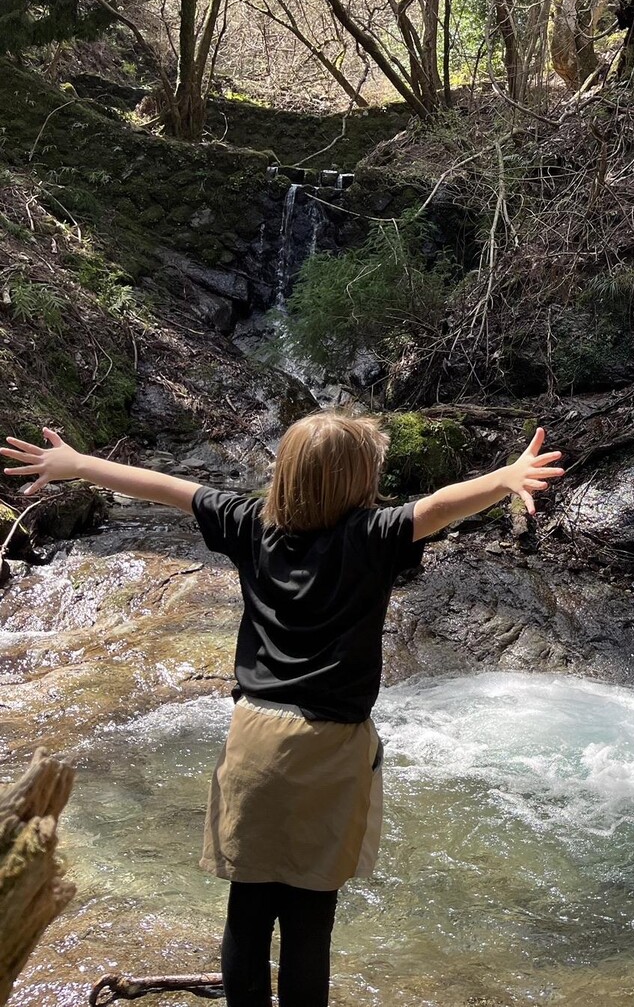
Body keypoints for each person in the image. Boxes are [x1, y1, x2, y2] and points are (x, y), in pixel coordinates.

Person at [1, 412, 565, 1006]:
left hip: (254, 739)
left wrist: (76, 465)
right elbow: (439, 507)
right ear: (358, 481)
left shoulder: (248, 524)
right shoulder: (370, 536)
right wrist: (506, 476)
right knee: (308, 923)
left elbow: (161, 486)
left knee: (246, 913)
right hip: (331, 747)